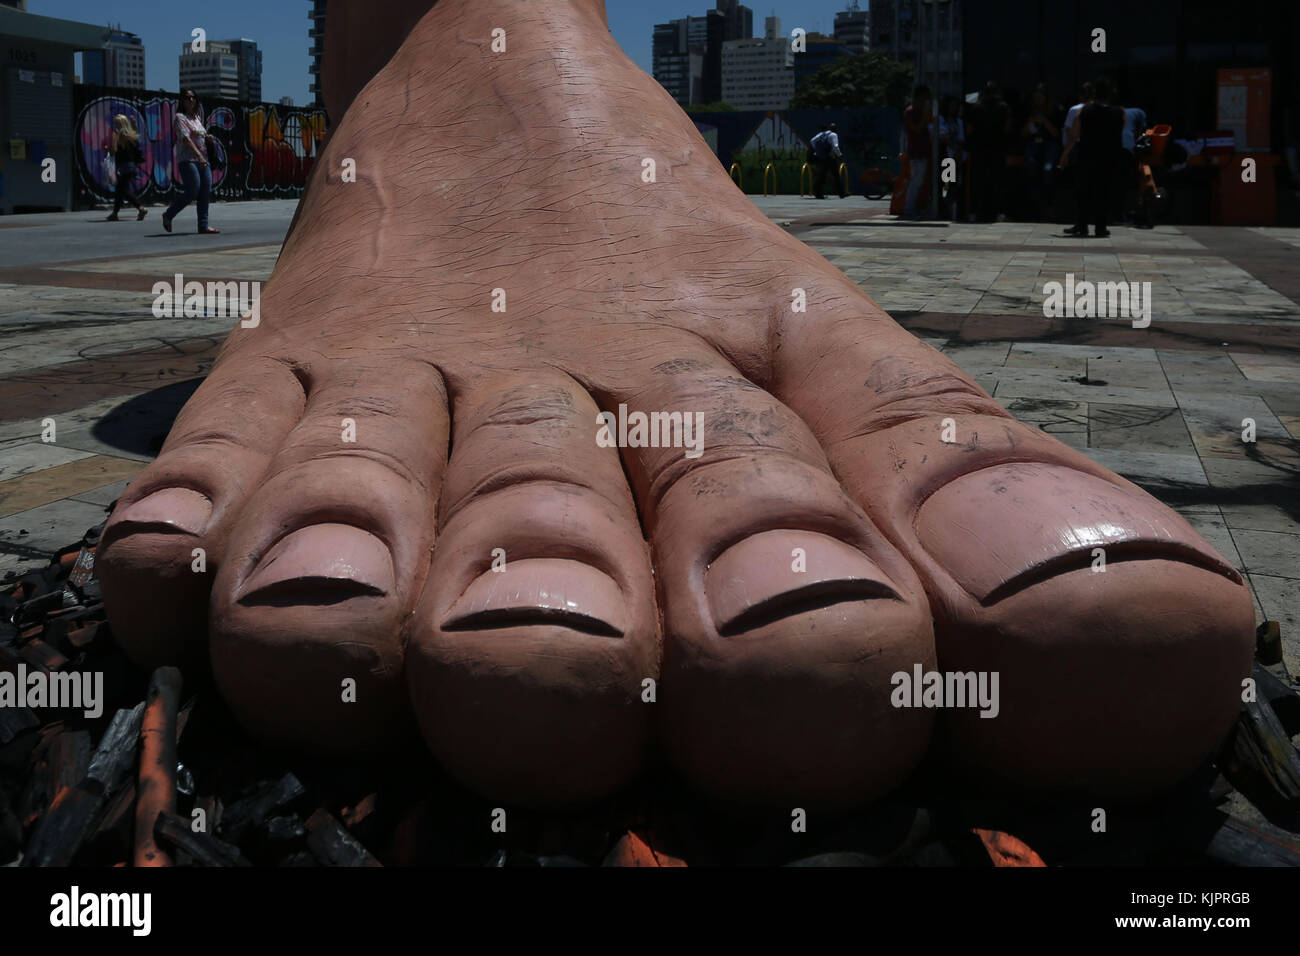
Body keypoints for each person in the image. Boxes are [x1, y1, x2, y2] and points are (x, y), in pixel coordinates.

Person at [1063, 77, 1125, 238]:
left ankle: (1082, 225)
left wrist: (1065, 154)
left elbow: (1073, 135)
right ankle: (1100, 227)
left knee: (1084, 192)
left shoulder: (1083, 111)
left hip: (1087, 156)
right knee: (1103, 192)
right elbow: (1120, 131)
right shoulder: (1120, 112)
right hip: (1109, 158)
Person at [162, 89, 220, 235]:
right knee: (193, 189)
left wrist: (208, 138)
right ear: (182, 100)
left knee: (205, 191)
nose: (191, 100)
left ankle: (203, 225)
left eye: (193, 97)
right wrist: (199, 155)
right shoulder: (180, 118)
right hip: (188, 160)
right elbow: (186, 139)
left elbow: (201, 136)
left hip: (204, 159)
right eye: (187, 98)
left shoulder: (197, 118)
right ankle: (168, 214)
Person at [967, 81, 1010, 222]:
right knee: (997, 181)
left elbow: (969, 129)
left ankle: (975, 211)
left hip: (979, 148)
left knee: (978, 181)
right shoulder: (1002, 107)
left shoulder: (976, 107)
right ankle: (998, 212)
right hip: (997, 148)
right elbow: (1007, 128)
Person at [1021, 85, 1060, 220]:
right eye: (1035, 97)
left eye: (1040, 96)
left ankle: (1049, 206)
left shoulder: (1053, 111)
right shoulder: (1028, 111)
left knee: (1048, 169)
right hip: (1033, 144)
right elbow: (1022, 134)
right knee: (1030, 166)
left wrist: (1044, 121)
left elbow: (1057, 135)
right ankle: (1035, 207)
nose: (1038, 100)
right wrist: (1030, 122)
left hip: (1049, 144)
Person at [104, 114, 148, 222]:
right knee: (120, 191)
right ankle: (114, 213)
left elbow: (114, 150)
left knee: (124, 190)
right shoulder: (131, 134)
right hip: (132, 166)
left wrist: (107, 149)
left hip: (122, 167)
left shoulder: (116, 134)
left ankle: (141, 208)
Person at [902, 86, 932, 218]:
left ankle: (915, 207)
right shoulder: (910, 112)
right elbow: (918, 129)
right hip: (916, 151)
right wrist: (925, 116)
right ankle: (909, 208)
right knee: (916, 180)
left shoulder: (920, 111)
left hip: (924, 150)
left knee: (920, 181)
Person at [937, 95, 966, 220]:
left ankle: (949, 208)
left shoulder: (958, 121)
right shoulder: (941, 119)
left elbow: (961, 138)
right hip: (946, 156)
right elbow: (942, 136)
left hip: (956, 156)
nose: (953, 108)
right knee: (946, 182)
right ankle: (943, 208)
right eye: (951, 105)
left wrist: (958, 149)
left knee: (953, 183)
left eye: (955, 106)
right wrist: (954, 147)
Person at [810, 123, 846, 200]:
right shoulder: (833, 135)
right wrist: (839, 155)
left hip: (821, 158)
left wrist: (817, 151)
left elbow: (812, 141)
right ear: (835, 129)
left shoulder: (821, 134)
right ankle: (842, 193)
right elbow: (835, 146)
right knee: (836, 176)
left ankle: (818, 193)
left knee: (821, 176)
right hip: (830, 158)